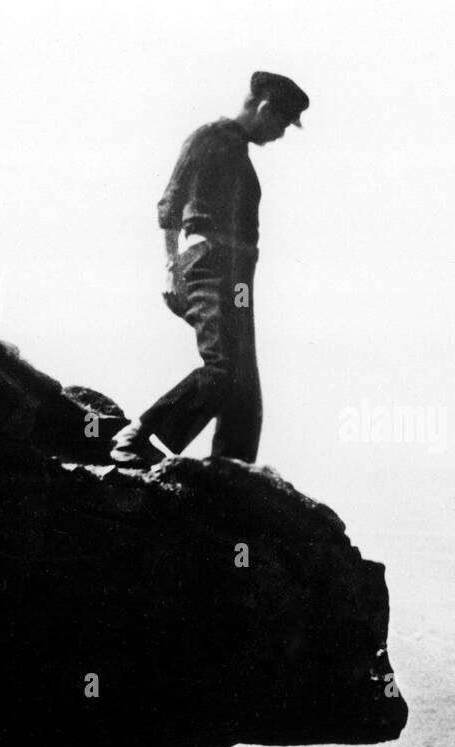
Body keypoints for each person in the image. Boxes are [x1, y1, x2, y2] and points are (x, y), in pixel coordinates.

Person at [111, 71, 310, 466]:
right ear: (265, 108)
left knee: (245, 389)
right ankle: (135, 436)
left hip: (239, 278)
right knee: (222, 368)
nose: (281, 134)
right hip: (209, 265)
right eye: (282, 124)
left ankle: (231, 471)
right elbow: (170, 204)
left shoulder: (239, 151)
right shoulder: (210, 138)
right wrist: (170, 268)